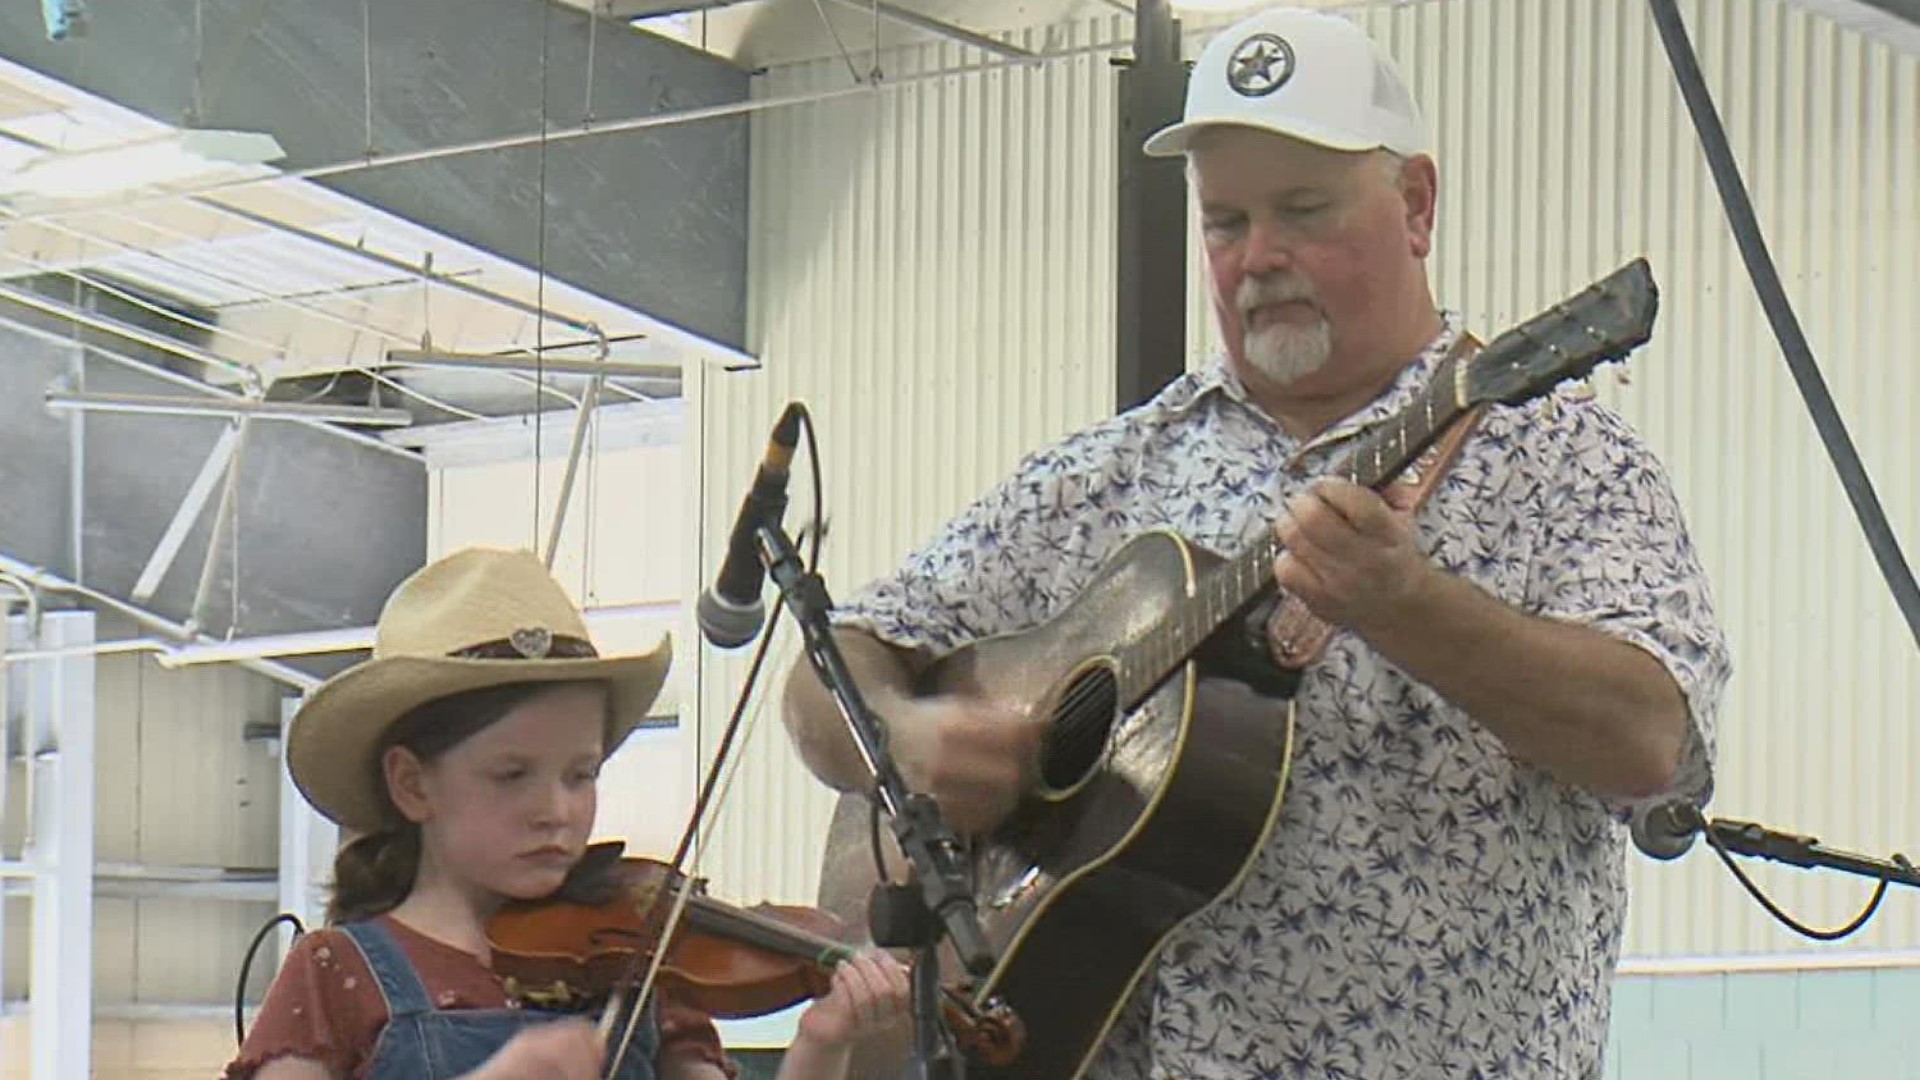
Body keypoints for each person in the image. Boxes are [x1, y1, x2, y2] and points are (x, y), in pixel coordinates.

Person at [780, 6, 1732, 1079]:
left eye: (1304, 210)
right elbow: (834, 668)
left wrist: (1407, 605)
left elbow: (1652, 742)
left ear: (1416, 205)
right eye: (1225, 222)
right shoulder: (1109, 473)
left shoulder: (1562, 460)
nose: (1260, 257)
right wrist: (906, 744)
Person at [225, 546, 911, 1080]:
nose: (556, 811)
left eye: (581, 775)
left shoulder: (647, 967)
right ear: (411, 783)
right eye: (511, 775)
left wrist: (822, 1047)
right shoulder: (333, 970)